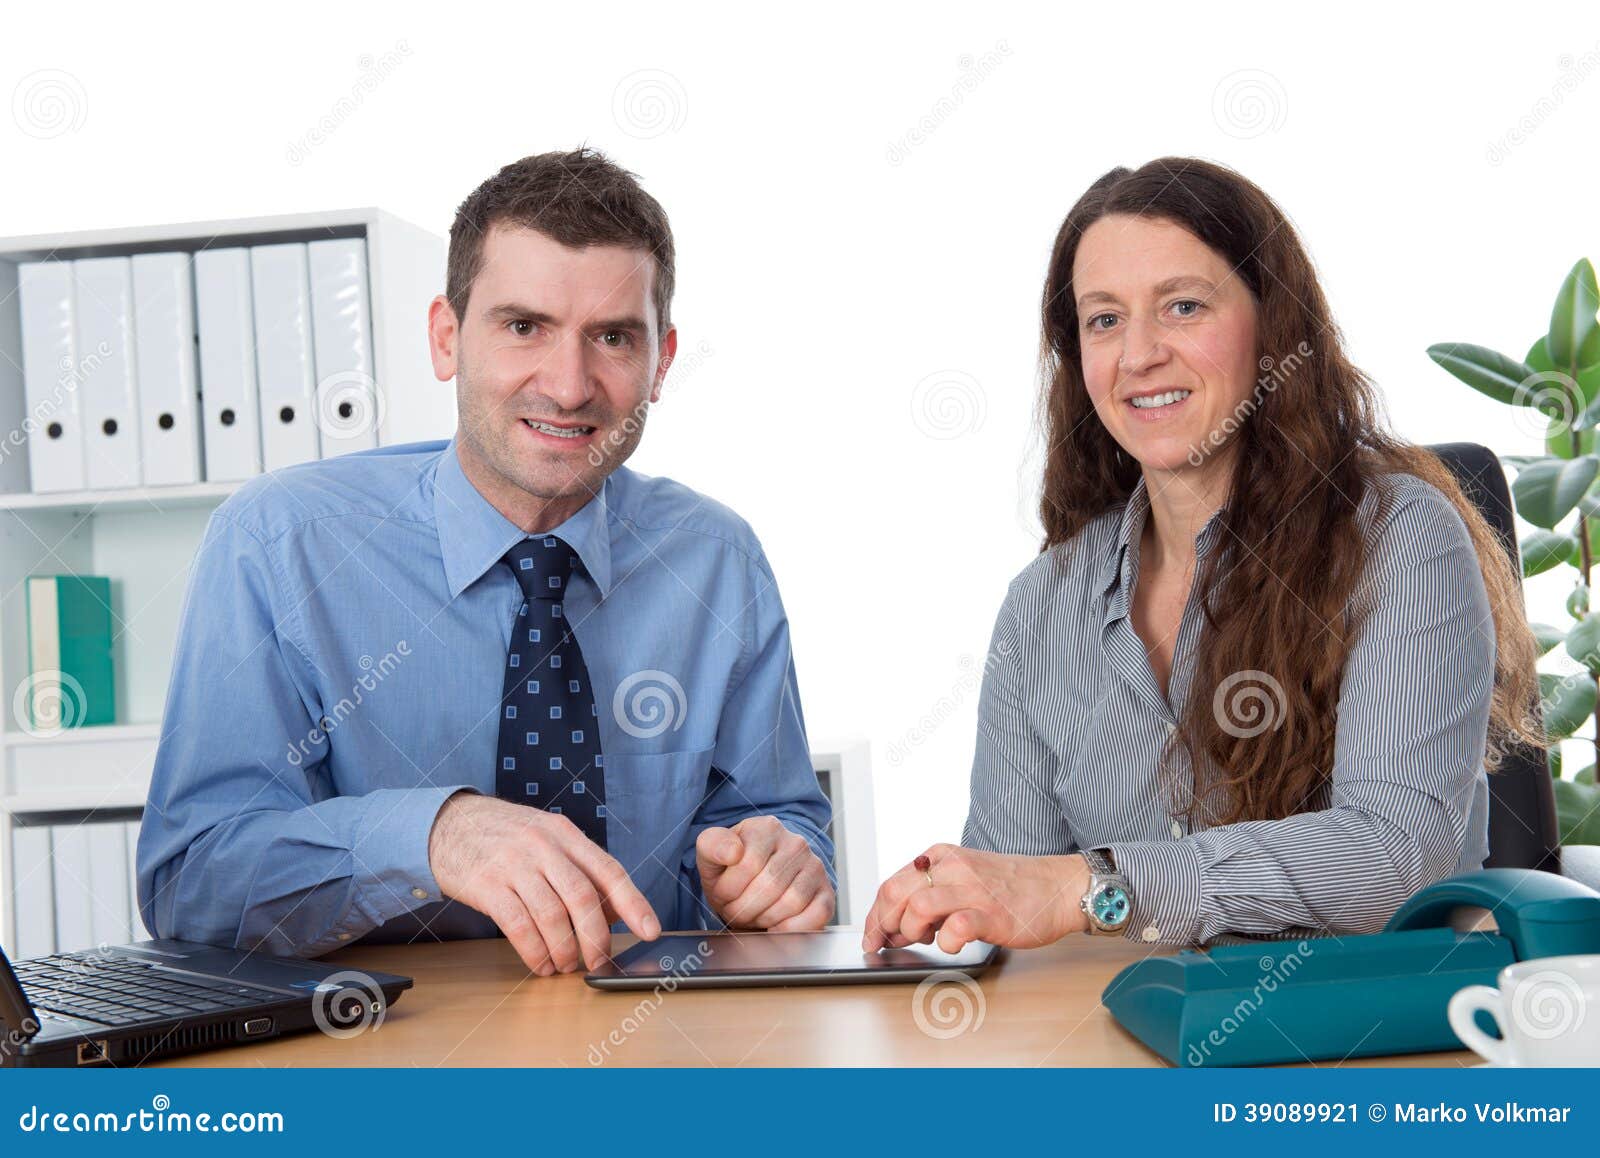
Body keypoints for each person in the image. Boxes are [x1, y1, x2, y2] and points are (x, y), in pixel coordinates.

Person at [140, 148, 836, 976]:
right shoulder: (279, 542)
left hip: (653, 1051)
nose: (570, 386)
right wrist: (432, 835)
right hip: (380, 1062)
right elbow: (191, 882)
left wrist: (777, 870)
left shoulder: (717, 561)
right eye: (523, 327)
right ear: (446, 337)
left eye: (613, 337)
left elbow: (779, 823)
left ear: (663, 362)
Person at [864, 156, 1539, 954]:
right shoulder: (1042, 606)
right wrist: (957, 906)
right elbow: (1017, 907)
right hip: (1126, 1042)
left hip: (1365, 1047)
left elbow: (1396, 859)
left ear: (1273, 327)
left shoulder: (1402, 541)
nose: (1140, 354)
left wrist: (1098, 885)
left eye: (1183, 306)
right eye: (1104, 320)